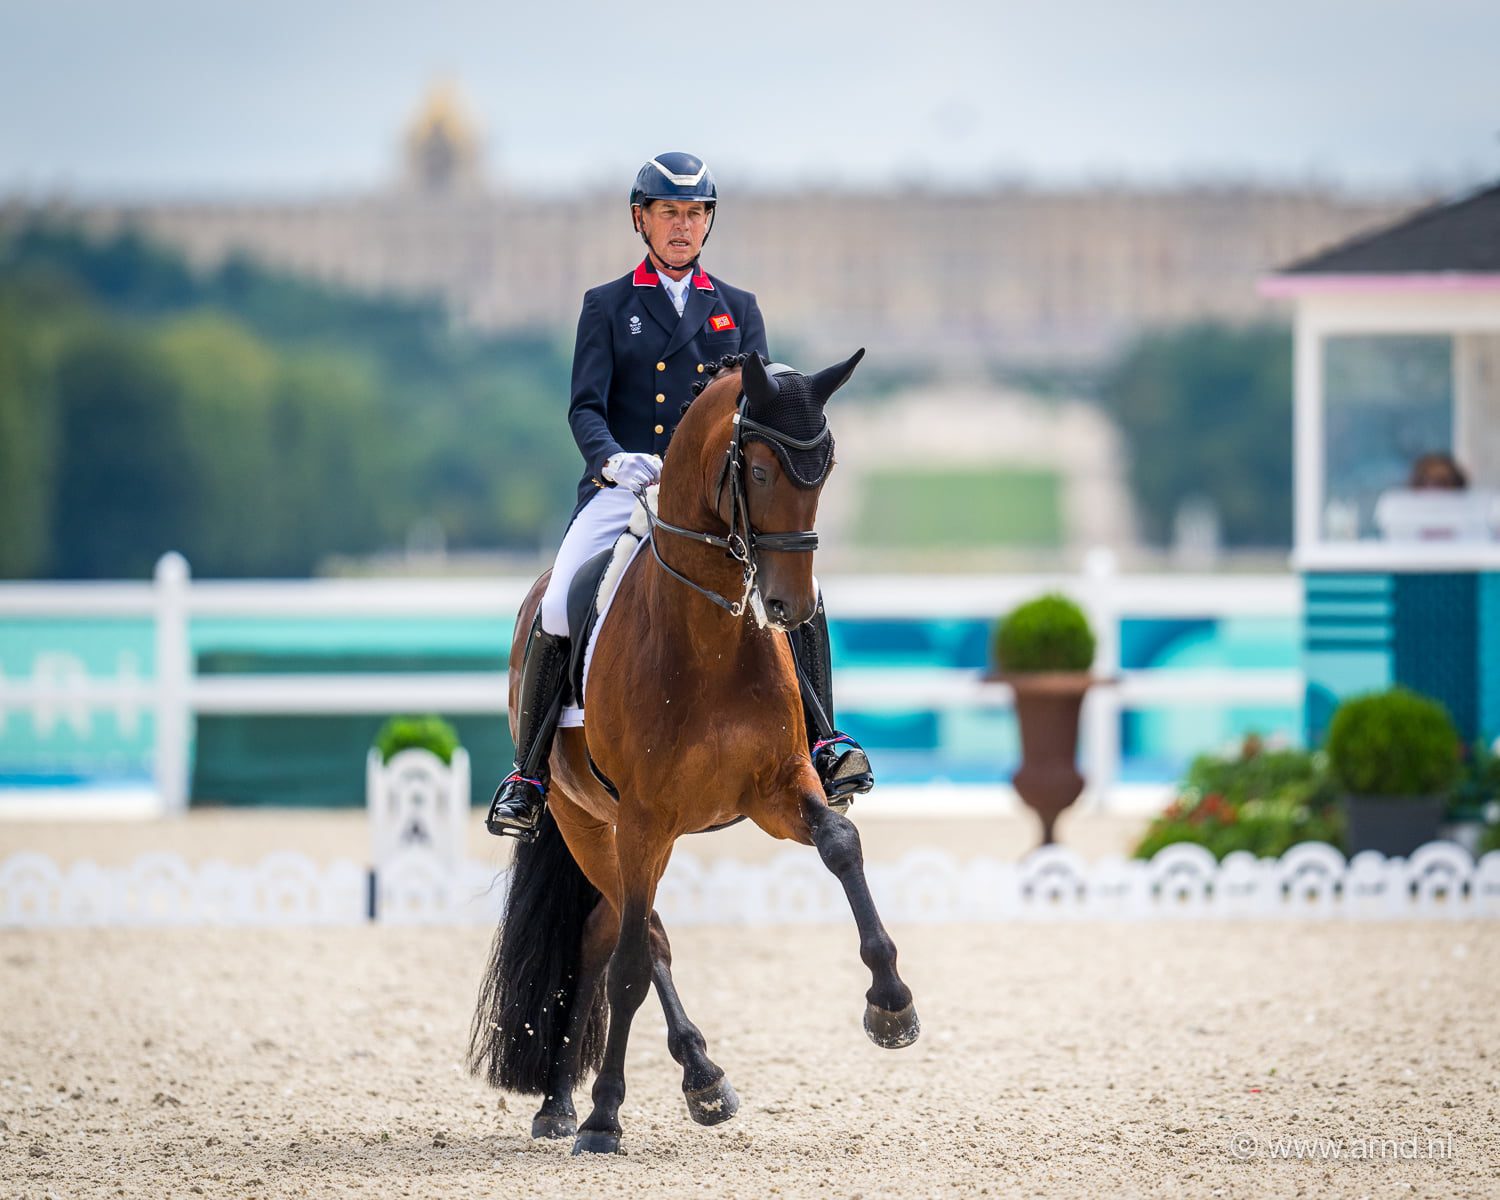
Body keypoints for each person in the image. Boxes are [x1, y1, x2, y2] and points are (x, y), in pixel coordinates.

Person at [485, 152, 873, 841]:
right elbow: (584, 408)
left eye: (695, 214)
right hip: (625, 487)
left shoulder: (737, 310)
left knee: (799, 598)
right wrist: (611, 460)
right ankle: (530, 776)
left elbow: (766, 411)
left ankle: (825, 741)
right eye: (669, 213)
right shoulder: (607, 306)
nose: (682, 227)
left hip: (713, 500)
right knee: (558, 599)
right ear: (642, 219)